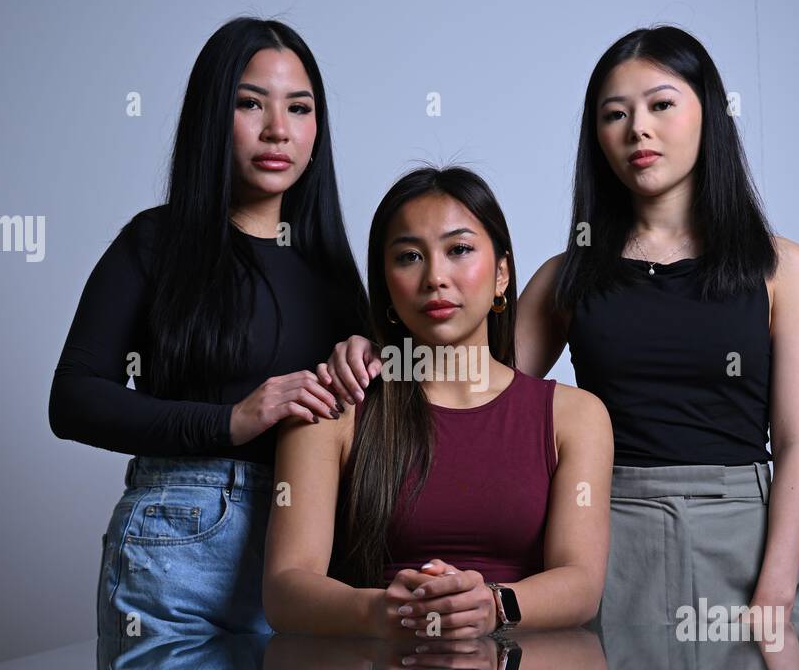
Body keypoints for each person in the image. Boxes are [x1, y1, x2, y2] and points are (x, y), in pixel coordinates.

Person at [323, 25, 799, 635]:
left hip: (746, 535)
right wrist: (375, 351)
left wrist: (774, 588)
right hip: (609, 538)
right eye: (614, 114)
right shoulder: (570, 275)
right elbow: (475, 392)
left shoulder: (782, 268)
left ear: (710, 114)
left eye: (661, 104)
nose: (638, 129)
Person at [48, 17, 368, 642]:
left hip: (315, 554)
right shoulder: (157, 242)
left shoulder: (333, 270)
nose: (278, 129)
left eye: (299, 109)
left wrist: (373, 356)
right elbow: (72, 399)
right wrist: (228, 420)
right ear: (210, 117)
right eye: (250, 103)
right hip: (180, 548)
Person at [263, 166, 613, 638]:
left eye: (460, 250)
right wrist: (384, 610)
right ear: (385, 283)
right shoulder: (335, 407)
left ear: (502, 274)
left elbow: (581, 584)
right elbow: (285, 591)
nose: (435, 277)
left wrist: (493, 604)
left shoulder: (576, 416)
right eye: (409, 256)